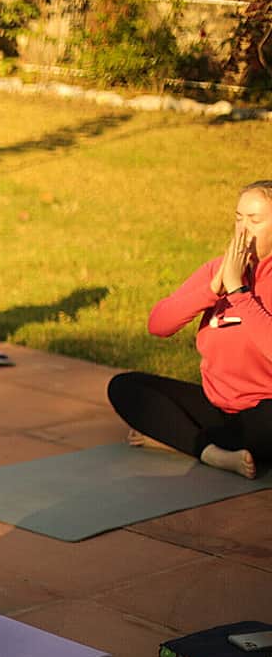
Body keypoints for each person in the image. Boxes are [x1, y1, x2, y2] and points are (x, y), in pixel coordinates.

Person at [107, 180, 272, 480]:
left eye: (255, 221)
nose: (243, 231)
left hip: (264, 411)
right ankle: (212, 453)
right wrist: (212, 289)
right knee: (124, 387)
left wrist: (238, 293)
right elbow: (158, 324)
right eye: (238, 218)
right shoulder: (216, 270)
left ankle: (176, 437)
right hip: (216, 406)